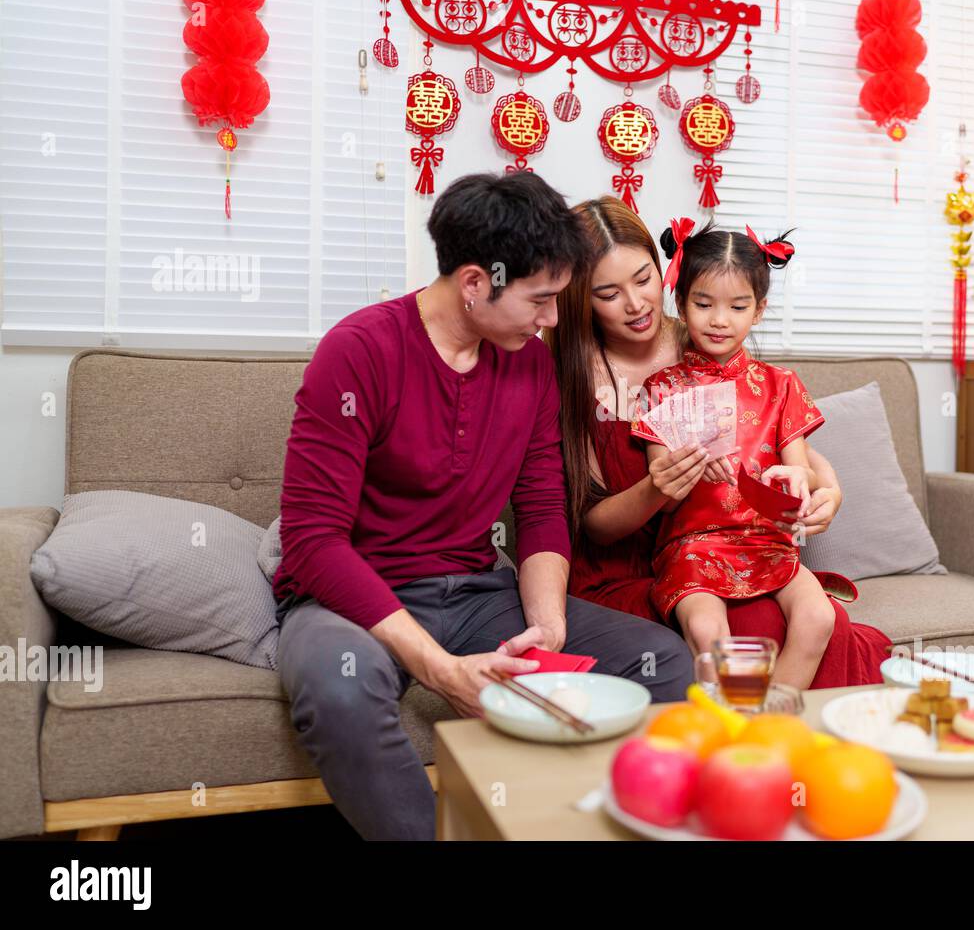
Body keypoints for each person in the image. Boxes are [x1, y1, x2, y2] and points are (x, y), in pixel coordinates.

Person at [272, 173, 693, 841]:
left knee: (663, 660)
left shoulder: (528, 364)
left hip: (474, 591)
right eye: (541, 300)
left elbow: (543, 506)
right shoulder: (357, 352)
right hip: (351, 597)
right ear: (476, 283)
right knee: (339, 688)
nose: (553, 320)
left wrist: (547, 623)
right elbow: (313, 543)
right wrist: (440, 670)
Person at [546, 197, 891, 689]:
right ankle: (731, 738)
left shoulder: (709, 337)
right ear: (581, 297)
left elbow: (787, 448)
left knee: (811, 621)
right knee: (747, 629)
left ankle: (775, 738)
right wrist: (659, 488)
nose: (636, 303)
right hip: (643, 565)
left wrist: (828, 491)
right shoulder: (581, 379)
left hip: (749, 543)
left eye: (644, 280)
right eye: (608, 292)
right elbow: (594, 527)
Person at [628, 220, 840, 688]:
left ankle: (770, 725)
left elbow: (800, 468)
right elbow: (660, 492)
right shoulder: (662, 389)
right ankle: (727, 725)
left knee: (817, 618)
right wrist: (686, 467)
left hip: (768, 540)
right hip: (694, 544)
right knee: (705, 628)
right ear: (680, 304)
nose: (719, 319)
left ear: (759, 310)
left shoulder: (782, 386)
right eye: (703, 304)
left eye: (738, 306)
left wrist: (796, 480)